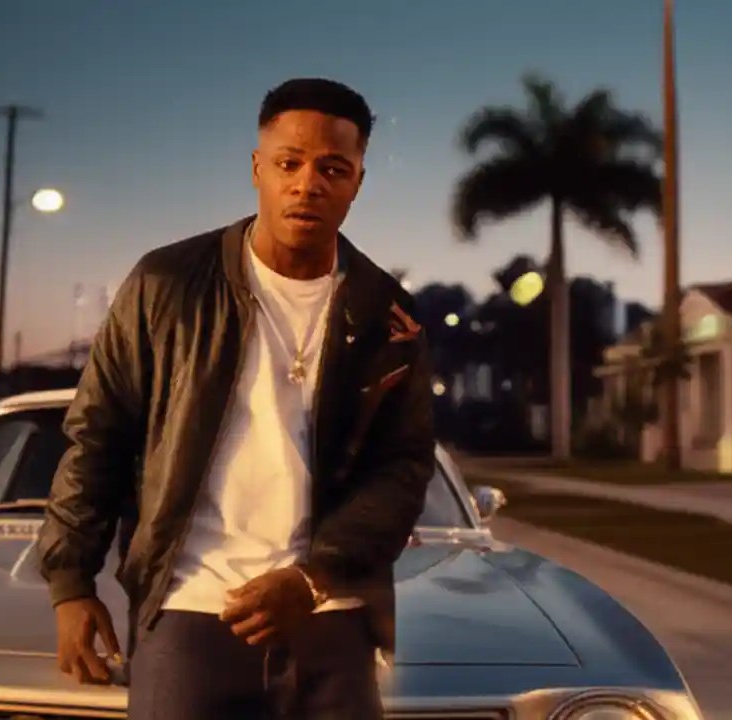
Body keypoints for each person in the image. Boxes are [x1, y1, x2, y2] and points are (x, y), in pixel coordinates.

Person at [37, 77, 436, 720]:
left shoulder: (389, 315)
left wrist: (313, 579)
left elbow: (403, 468)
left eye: (332, 168)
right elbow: (99, 433)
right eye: (289, 163)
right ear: (258, 168)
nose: (308, 183)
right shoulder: (166, 285)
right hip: (190, 607)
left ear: (357, 181)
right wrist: (70, 583)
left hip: (331, 615)